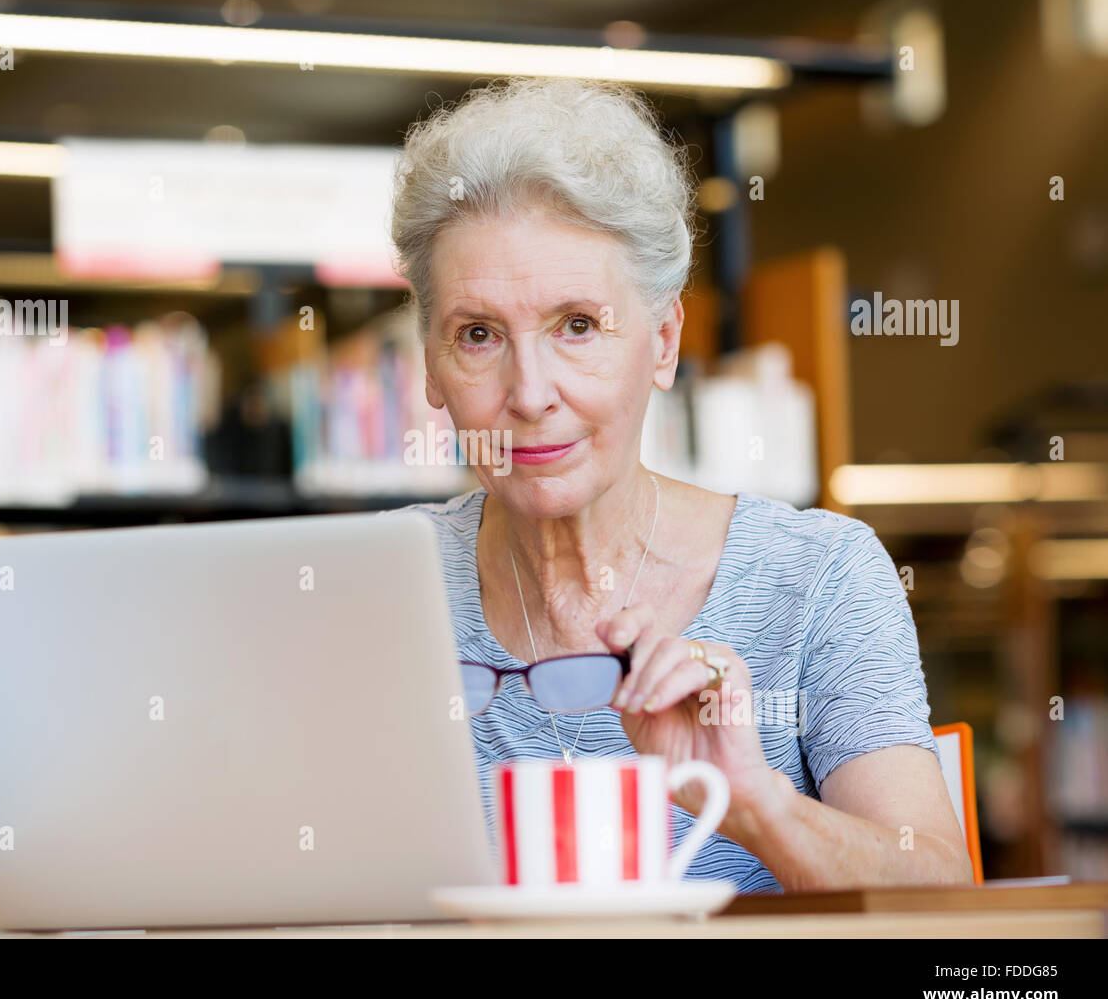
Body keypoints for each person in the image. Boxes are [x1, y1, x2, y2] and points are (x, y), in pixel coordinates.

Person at [384, 77, 972, 892]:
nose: (529, 393)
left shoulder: (819, 575)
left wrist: (756, 800)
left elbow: (943, 894)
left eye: (577, 325)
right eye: (478, 334)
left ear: (663, 342)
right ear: (430, 367)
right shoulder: (381, 584)